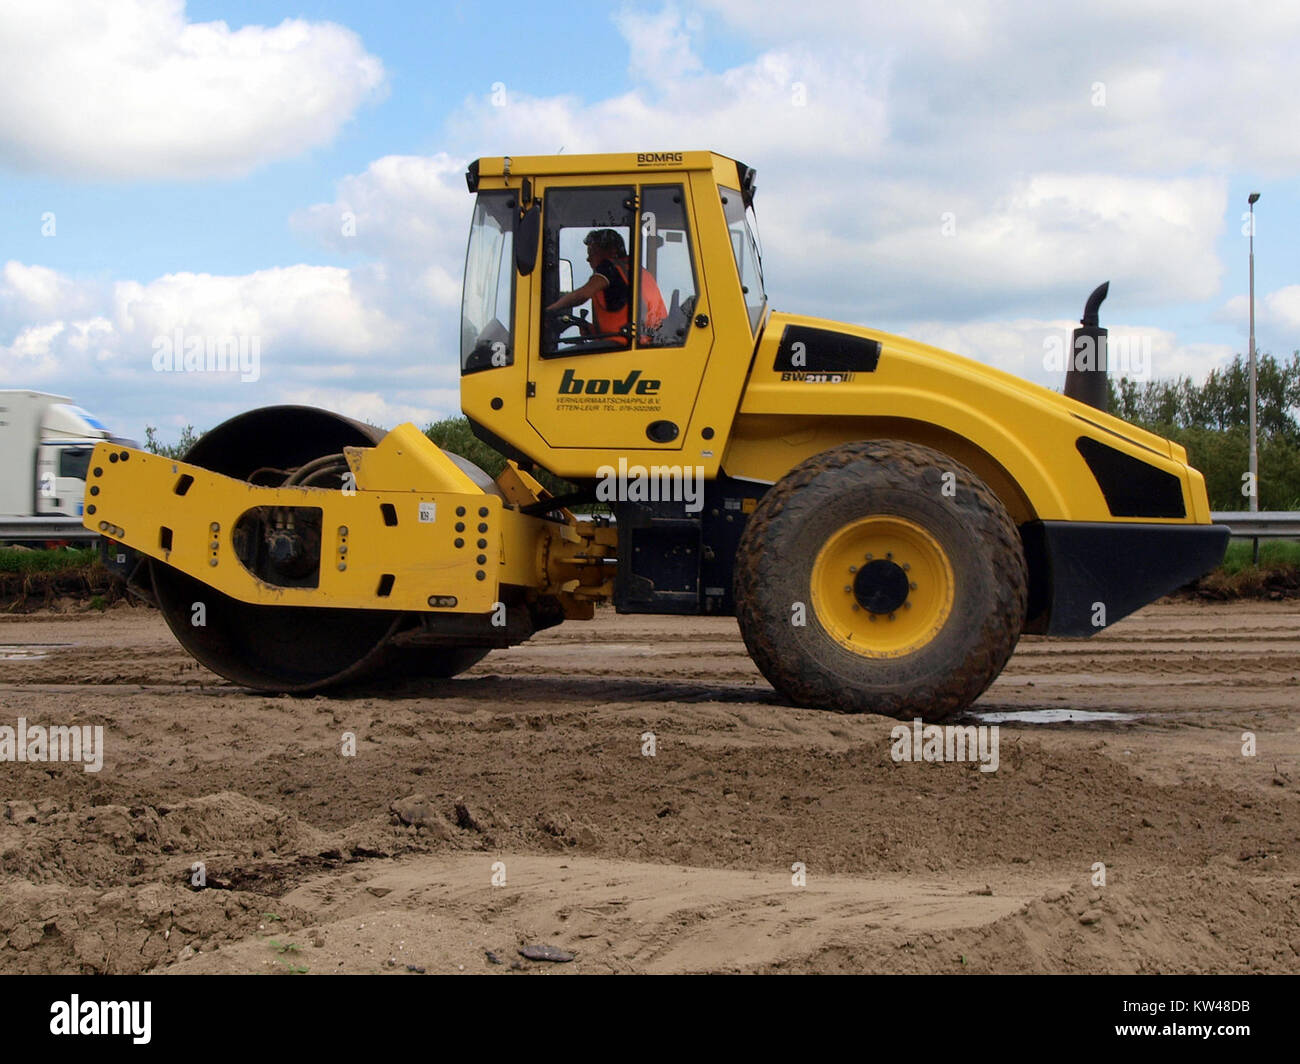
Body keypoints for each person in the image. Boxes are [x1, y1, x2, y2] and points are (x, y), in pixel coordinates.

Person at [546, 229, 667, 346]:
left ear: (612, 251)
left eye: (592, 253)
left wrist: (551, 309)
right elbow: (625, 319)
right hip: (645, 342)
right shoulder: (638, 272)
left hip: (623, 343)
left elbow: (583, 294)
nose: (588, 259)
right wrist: (591, 329)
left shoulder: (610, 267)